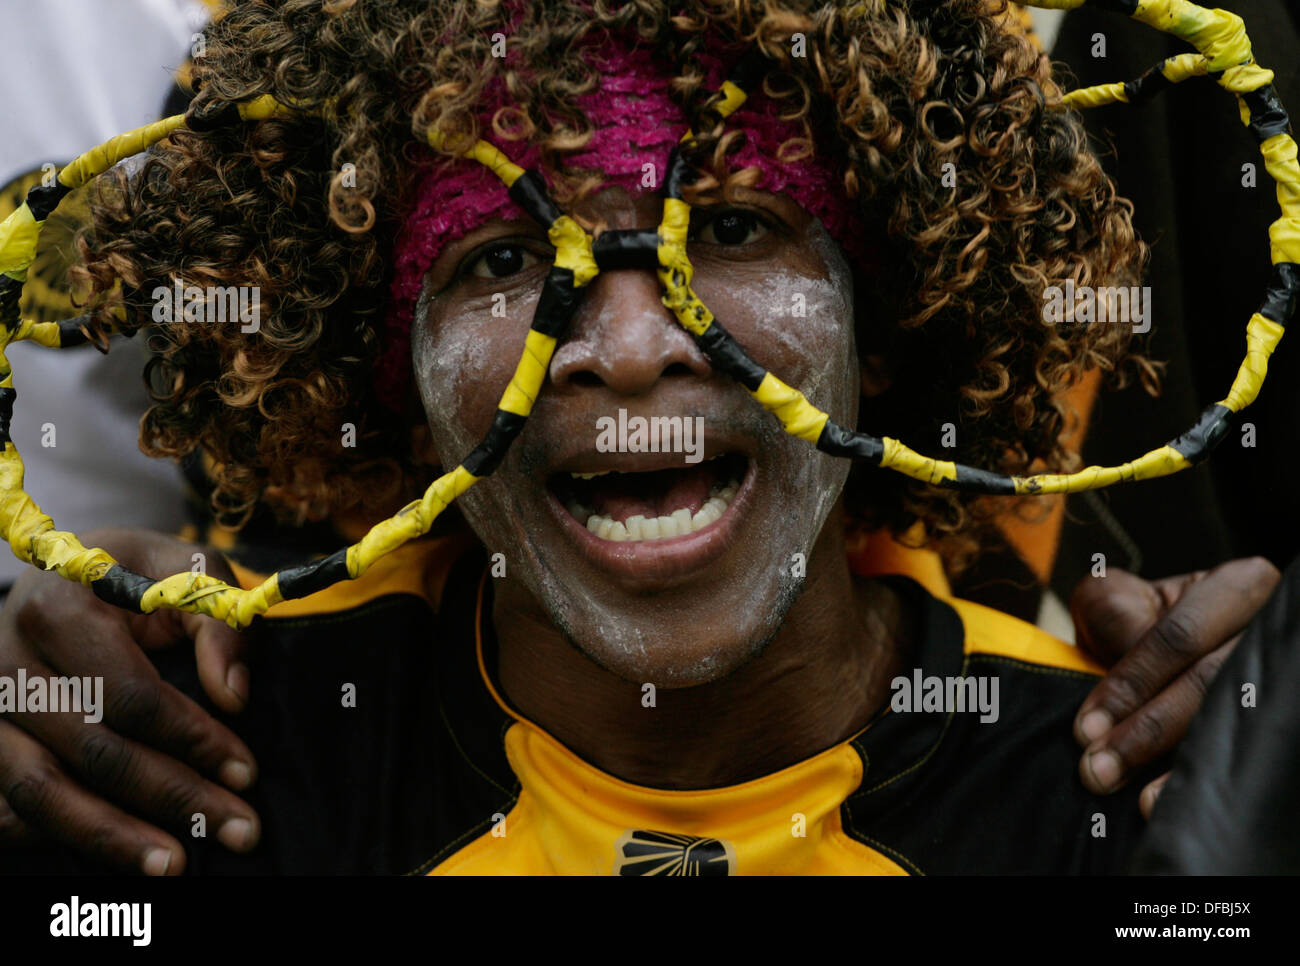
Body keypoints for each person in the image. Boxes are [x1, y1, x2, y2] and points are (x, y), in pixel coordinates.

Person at [0, 0, 1285, 874]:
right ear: (391, 376)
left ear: (888, 314)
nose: (624, 347)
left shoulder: (1126, 798)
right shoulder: (208, 782)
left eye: (728, 231)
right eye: (505, 258)